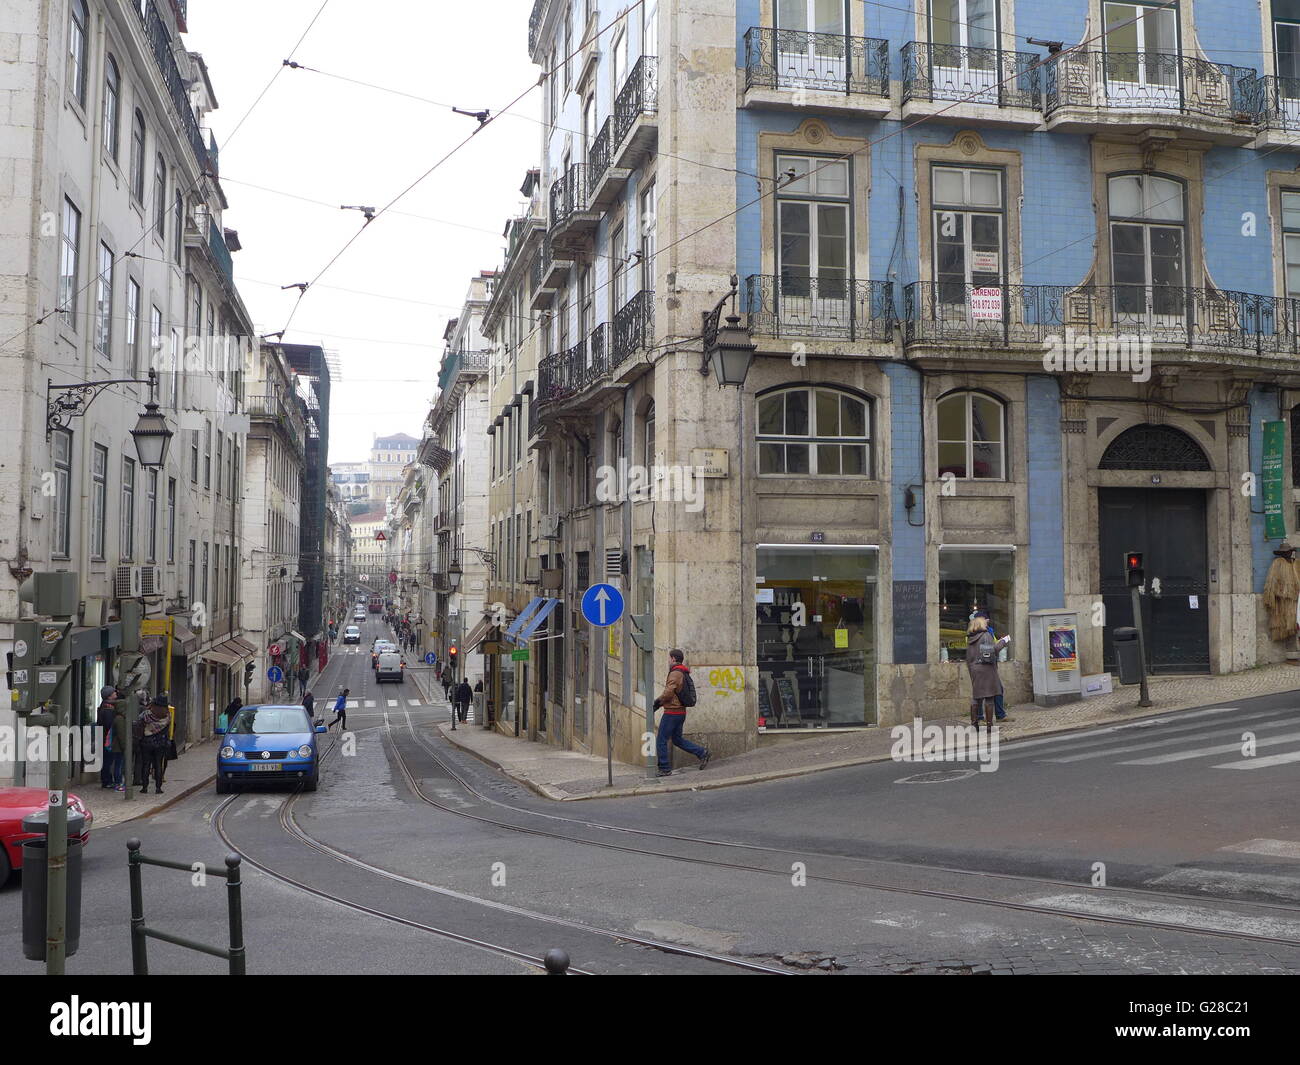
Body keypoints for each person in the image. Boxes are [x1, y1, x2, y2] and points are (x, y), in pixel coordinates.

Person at [652, 649, 709, 777]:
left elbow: (668, 693)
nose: (667, 661)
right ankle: (702, 753)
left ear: (673, 659)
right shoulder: (683, 671)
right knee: (677, 740)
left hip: (672, 712)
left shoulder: (675, 673)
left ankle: (665, 768)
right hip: (680, 712)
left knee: (661, 739)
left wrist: (657, 703)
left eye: (669, 658)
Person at [966, 615, 1010, 731]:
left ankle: (974, 724)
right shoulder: (986, 635)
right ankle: (990, 726)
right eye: (984, 622)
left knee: (976, 697)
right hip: (986, 669)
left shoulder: (970, 638)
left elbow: (968, 658)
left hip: (975, 669)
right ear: (981, 624)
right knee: (989, 697)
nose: (986, 623)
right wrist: (1003, 642)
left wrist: (972, 671)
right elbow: (991, 651)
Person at [139, 695, 171, 794]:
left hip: (147, 742)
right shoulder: (167, 716)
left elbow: (139, 721)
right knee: (158, 764)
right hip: (160, 743)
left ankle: (144, 787)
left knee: (146, 765)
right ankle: (158, 788)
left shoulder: (147, 714)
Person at [96, 686, 120, 789]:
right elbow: (110, 724)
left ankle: (106, 780)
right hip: (108, 738)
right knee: (108, 760)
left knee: (106, 760)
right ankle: (107, 781)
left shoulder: (105, 706)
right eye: (114, 692)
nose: (116, 693)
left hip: (104, 736)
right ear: (109, 695)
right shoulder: (108, 709)